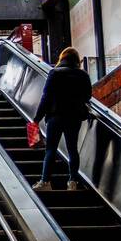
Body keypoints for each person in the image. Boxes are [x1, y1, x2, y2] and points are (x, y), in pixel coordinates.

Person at [30, 47, 92, 190]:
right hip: (74, 117)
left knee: (51, 149)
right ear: (77, 60)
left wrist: (37, 118)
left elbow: (46, 97)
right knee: (72, 149)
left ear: (62, 58)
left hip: (55, 117)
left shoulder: (55, 73)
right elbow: (88, 96)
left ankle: (45, 182)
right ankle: (73, 182)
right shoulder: (83, 75)